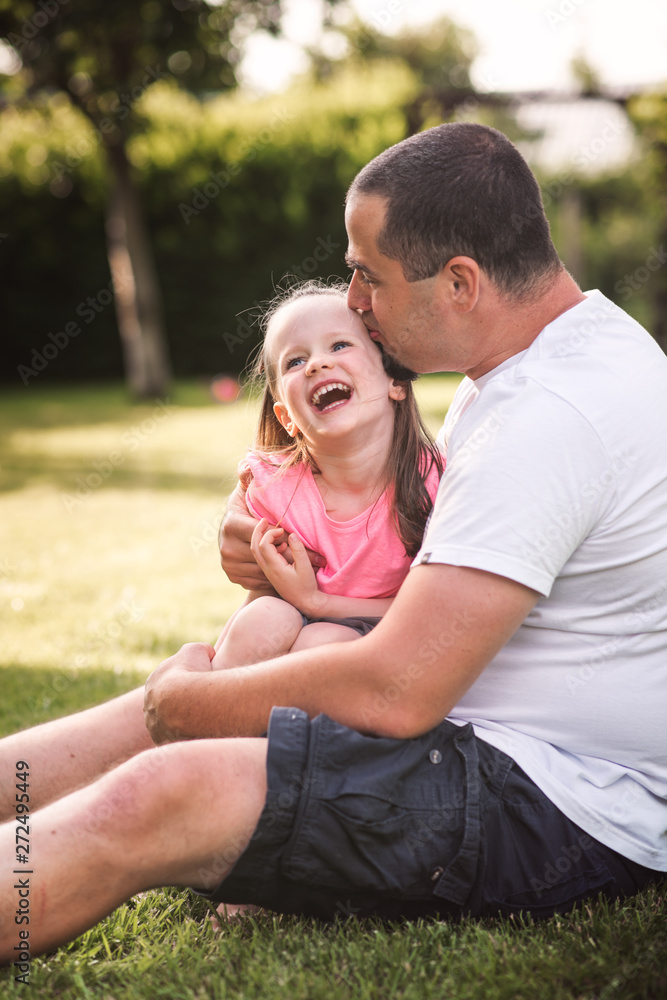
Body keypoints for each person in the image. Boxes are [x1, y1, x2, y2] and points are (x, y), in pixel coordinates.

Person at [1, 122, 665, 965]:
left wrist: (186, 709)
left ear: (459, 282)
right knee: (158, 710)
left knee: (166, 779)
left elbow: (397, 689)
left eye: (367, 276)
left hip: (558, 800)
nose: (351, 300)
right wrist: (262, 555)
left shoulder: (550, 415)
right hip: (479, 734)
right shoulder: (542, 361)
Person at [211, 280, 442, 673]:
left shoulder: (431, 484)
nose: (317, 363)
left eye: (339, 346)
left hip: (386, 638)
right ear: (286, 419)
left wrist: (319, 604)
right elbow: (257, 595)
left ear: (396, 381)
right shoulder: (275, 489)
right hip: (291, 622)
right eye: (295, 362)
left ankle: (275, 733)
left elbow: (431, 612)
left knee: (326, 640)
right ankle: (206, 710)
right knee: (266, 618)